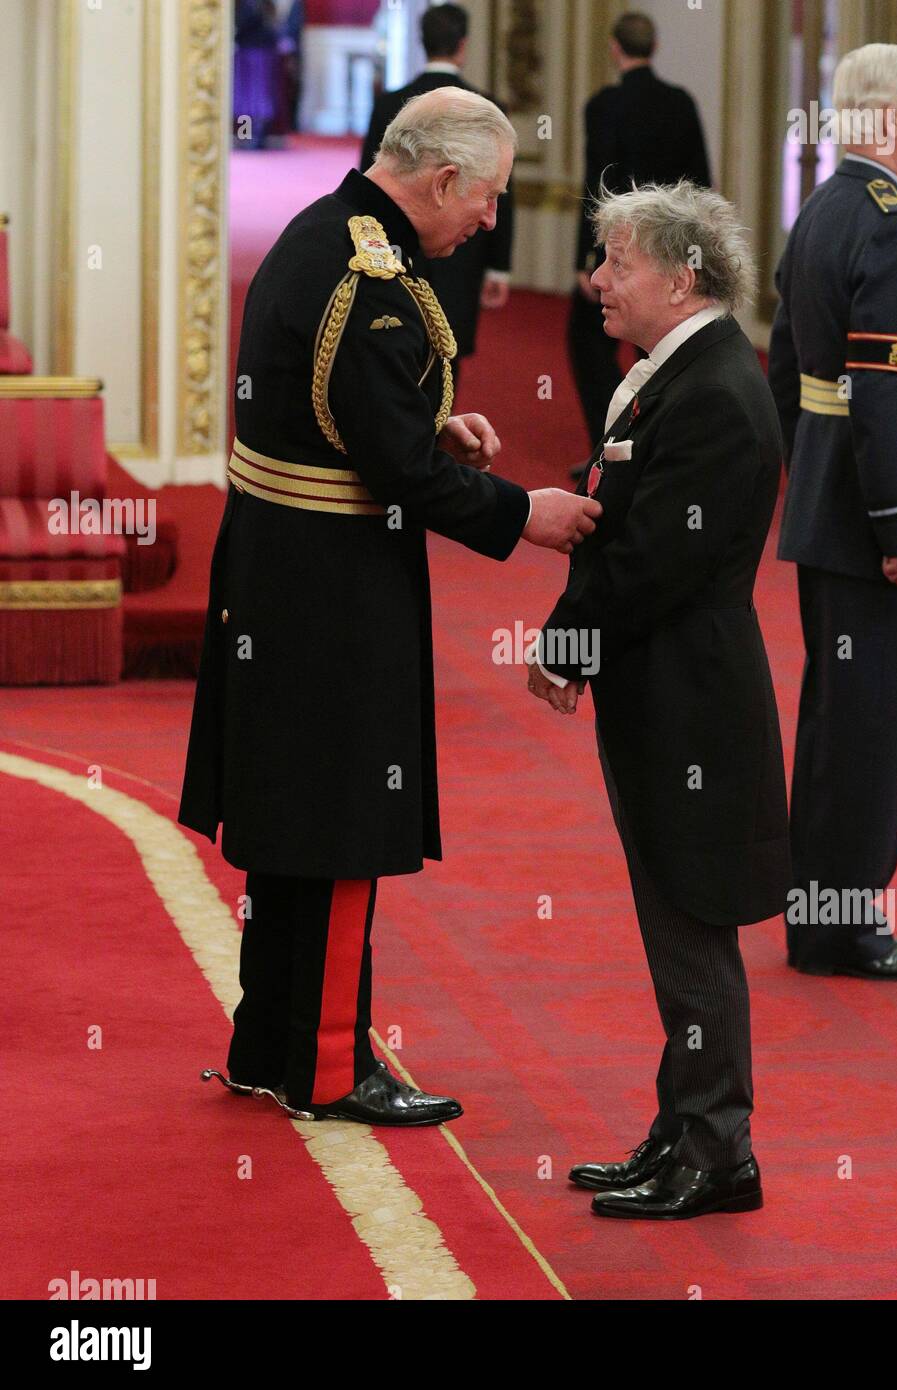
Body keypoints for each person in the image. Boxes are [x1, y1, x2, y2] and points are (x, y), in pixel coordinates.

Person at [180, 89, 601, 1127]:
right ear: (444, 178)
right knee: (336, 825)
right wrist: (522, 514)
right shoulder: (369, 277)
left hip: (283, 571)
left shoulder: (332, 231)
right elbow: (388, 468)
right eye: (488, 198)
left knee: (287, 816)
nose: (489, 221)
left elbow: (347, 419)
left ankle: (266, 1044)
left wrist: (427, 424)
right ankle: (326, 1068)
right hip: (330, 588)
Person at [529, 181, 791, 1220]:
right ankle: (678, 1125)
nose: (597, 281)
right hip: (662, 686)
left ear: (679, 276)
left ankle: (718, 1150)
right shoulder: (673, 375)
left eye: (617, 263)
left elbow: (649, 563)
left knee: (691, 923)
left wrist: (566, 640)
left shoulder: (719, 393)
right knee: (670, 915)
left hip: (693, 695)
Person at [768, 43, 897, 980]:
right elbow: (886, 400)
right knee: (872, 734)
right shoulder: (885, 226)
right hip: (875, 527)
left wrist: (796, 473)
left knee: (836, 723)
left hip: (827, 513)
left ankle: (817, 918)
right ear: (886, 119)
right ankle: (845, 929)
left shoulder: (823, 207)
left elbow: (785, 368)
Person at [568, 12, 711, 458]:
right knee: (659, 350)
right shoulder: (681, 103)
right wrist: (696, 259)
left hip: (621, 252)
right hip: (670, 253)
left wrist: (585, 261)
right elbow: (701, 186)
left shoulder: (602, 106)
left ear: (614, 48)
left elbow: (596, 190)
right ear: (655, 47)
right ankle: (652, 444)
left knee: (587, 343)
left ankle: (610, 444)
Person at [361, 3, 514, 391]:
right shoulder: (487, 109)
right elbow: (500, 194)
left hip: (391, 253)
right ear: (463, 45)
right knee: (447, 353)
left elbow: (368, 181)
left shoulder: (388, 103)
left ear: (421, 41)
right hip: (462, 260)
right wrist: (499, 265)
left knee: (390, 344)